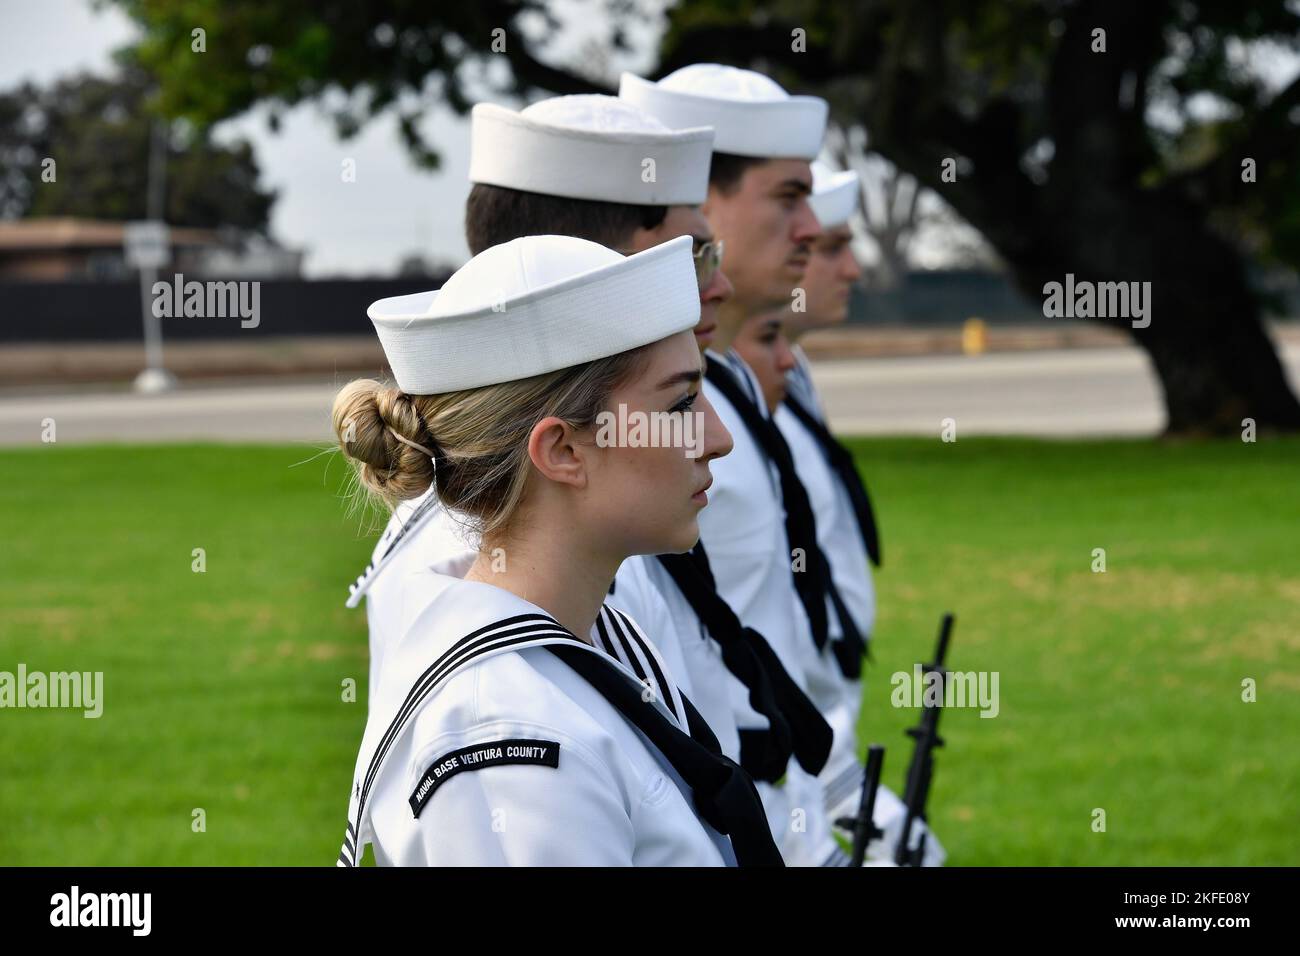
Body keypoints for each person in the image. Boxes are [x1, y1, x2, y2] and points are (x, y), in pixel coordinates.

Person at [347, 91, 837, 862]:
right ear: (563, 451)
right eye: (679, 403)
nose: (716, 440)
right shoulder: (509, 738)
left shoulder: (591, 627)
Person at [622, 63, 858, 864]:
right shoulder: (642, 417)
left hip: (788, 801)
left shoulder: (732, 390)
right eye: (789, 199)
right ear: (704, 205)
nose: (811, 231)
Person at [732, 162, 946, 865]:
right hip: (781, 777)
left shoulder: (790, 379)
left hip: (819, 757)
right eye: (831, 247)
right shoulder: (723, 425)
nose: (850, 269)